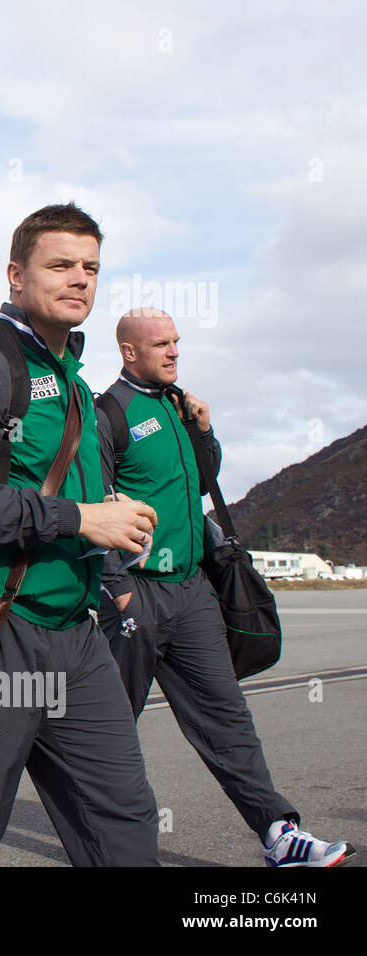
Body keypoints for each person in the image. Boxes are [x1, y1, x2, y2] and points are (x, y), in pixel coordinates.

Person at [0, 203, 162, 867]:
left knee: (125, 820)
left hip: (76, 634)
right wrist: (84, 519)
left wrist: (109, 523)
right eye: (61, 264)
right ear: (17, 275)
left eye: (91, 268)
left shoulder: (74, 381)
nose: (79, 278)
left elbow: (61, 496)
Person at [95, 308, 355, 867]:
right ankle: (101, 844)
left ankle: (279, 834)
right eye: (160, 344)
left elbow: (206, 478)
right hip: (135, 594)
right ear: (129, 352)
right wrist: (116, 588)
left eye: (176, 343)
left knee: (227, 715)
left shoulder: (179, 405)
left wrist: (205, 431)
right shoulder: (107, 414)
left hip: (191, 592)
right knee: (107, 730)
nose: (173, 352)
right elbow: (91, 500)